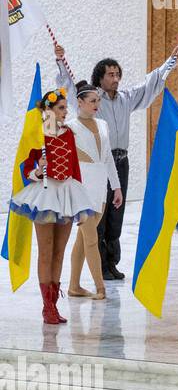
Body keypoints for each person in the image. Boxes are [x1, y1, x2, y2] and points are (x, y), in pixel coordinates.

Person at [55, 40, 178, 280]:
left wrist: (172, 60)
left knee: (117, 212)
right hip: (97, 165)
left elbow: (150, 84)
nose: (115, 78)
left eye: (117, 74)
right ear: (100, 77)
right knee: (100, 215)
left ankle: (112, 262)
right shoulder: (92, 100)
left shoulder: (126, 98)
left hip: (121, 161)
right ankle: (100, 266)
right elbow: (69, 88)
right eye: (110, 74)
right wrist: (60, 60)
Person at [10, 87, 98, 324]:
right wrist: (38, 168)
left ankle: (54, 304)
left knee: (59, 252)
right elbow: (25, 167)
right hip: (46, 194)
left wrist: (79, 205)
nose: (65, 112)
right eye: (60, 108)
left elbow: (75, 168)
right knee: (46, 250)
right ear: (48, 110)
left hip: (67, 195)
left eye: (65, 108)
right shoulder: (38, 134)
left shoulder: (68, 133)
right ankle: (46, 306)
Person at [67, 82, 123, 299]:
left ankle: (74, 286)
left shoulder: (102, 124)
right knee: (91, 239)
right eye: (92, 101)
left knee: (82, 240)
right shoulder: (70, 127)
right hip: (80, 189)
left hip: (100, 190)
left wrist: (116, 187)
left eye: (98, 100)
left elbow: (108, 158)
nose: (97, 104)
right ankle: (100, 287)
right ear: (79, 102)